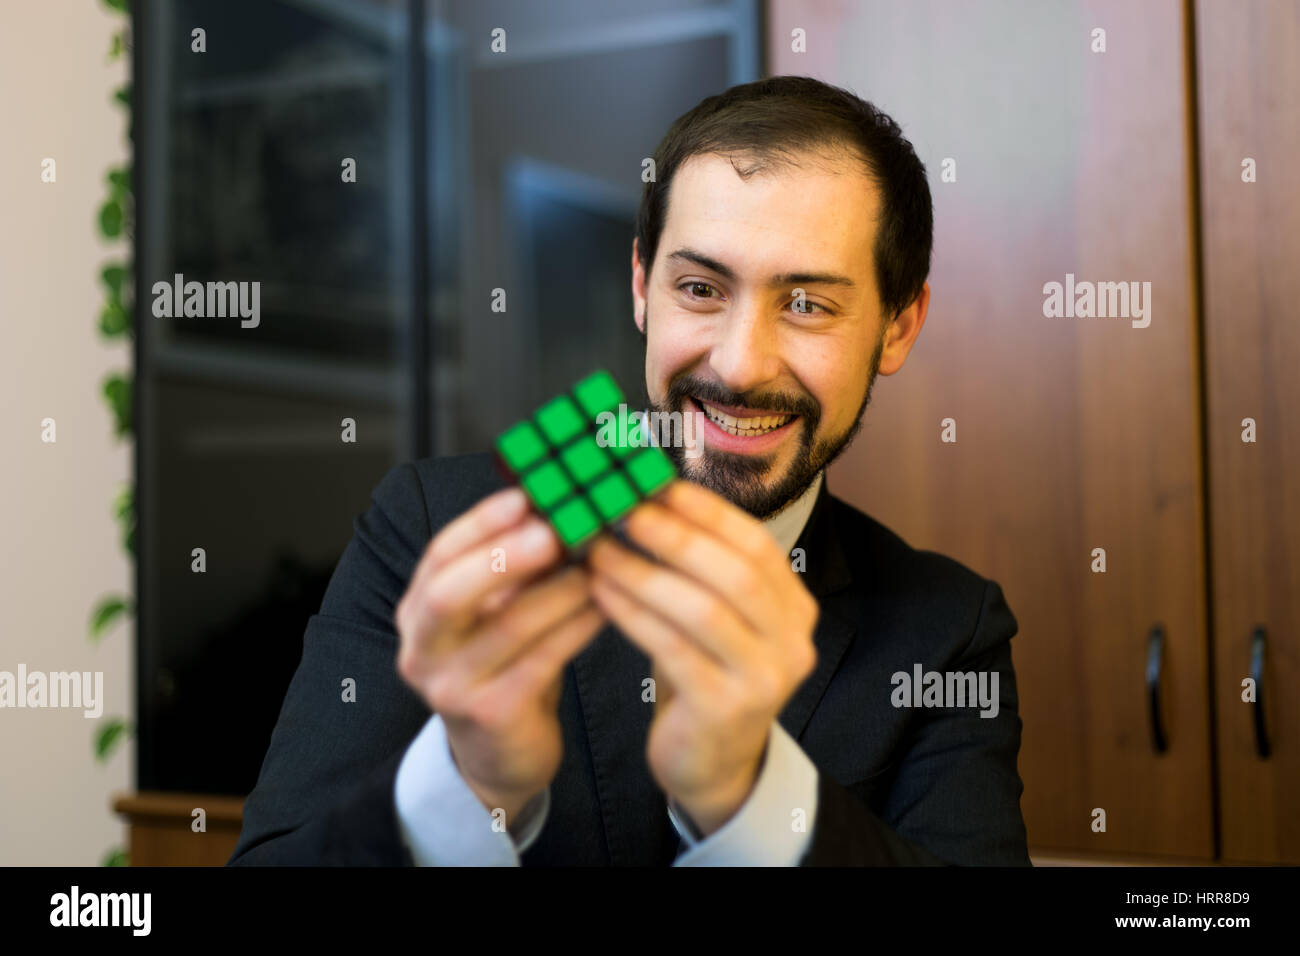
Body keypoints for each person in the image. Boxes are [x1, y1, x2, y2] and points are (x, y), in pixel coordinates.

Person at [228, 75, 1030, 866]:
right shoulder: (433, 523)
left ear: (898, 326)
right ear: (644, 286)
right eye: (700, 288)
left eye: (807, 305)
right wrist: (470, 781)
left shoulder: (946, 630)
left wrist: (748, 799)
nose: (741, 365)